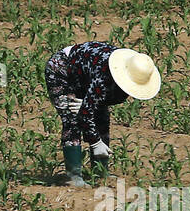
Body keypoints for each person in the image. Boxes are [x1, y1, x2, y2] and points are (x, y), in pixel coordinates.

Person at [45, 42, 161, 186]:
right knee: (72, 119)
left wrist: (87, 104)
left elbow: (98, 103)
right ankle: (73, 176)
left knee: (102, 117)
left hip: (83, 76)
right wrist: (95, 142)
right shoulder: (105, 76)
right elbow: (86, 114)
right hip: (62, 70)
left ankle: (100, 170)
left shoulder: (124, 72)